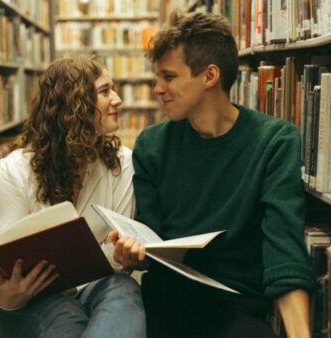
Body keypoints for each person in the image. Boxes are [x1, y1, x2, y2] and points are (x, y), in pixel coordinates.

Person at [110, 11, 313, 337]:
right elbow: (151, 242)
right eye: (157, 78)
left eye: (169, 77)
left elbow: (284, 252)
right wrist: (133, 255)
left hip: (237, 304)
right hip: (168, 301)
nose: (157, 89)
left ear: (209, 76)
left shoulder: (275, 141)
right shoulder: (152, 145)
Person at [0, 56, 145, 337]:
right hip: (28, 298)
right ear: (75, 103)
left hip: (100, 283)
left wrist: (123, 254)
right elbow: (2, 262)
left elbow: (116, 254)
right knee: (65, 316)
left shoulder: (122, 164)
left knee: (125, 291)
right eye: (105, 91)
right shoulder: (14, 171)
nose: (118, 99)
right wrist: (8, 297)